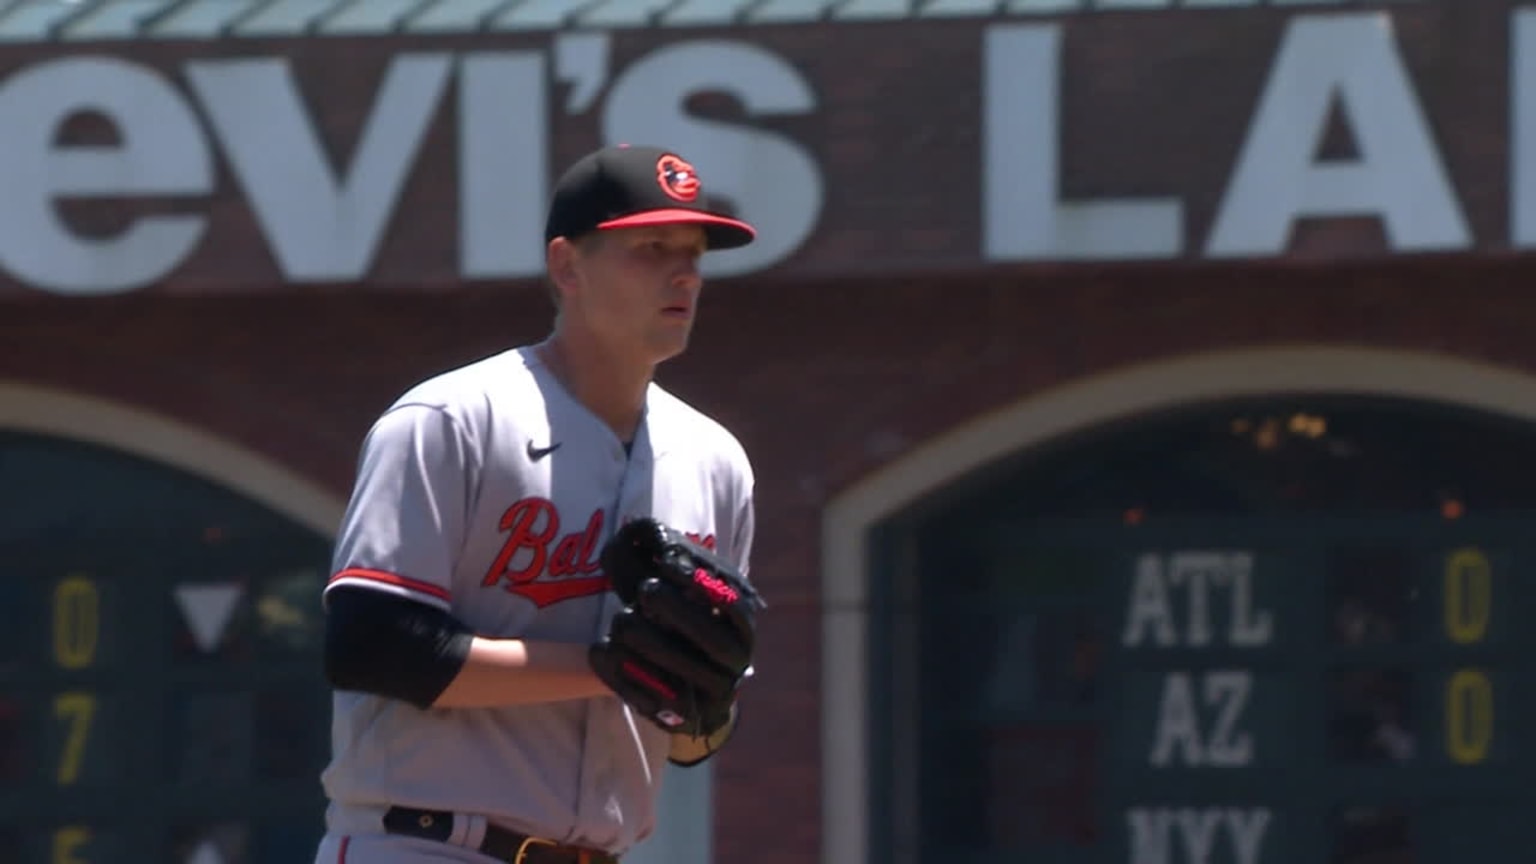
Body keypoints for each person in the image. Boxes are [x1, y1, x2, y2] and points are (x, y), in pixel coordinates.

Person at [311, 144, 760, 864]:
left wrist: (705, 697)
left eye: (694, 253)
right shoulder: (453, 420)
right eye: (651, 249)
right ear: (566, 266)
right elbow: (375, 646)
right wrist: (605, 665)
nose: (683, 274)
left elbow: (688, 744)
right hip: (424, 844)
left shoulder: (716, 462)